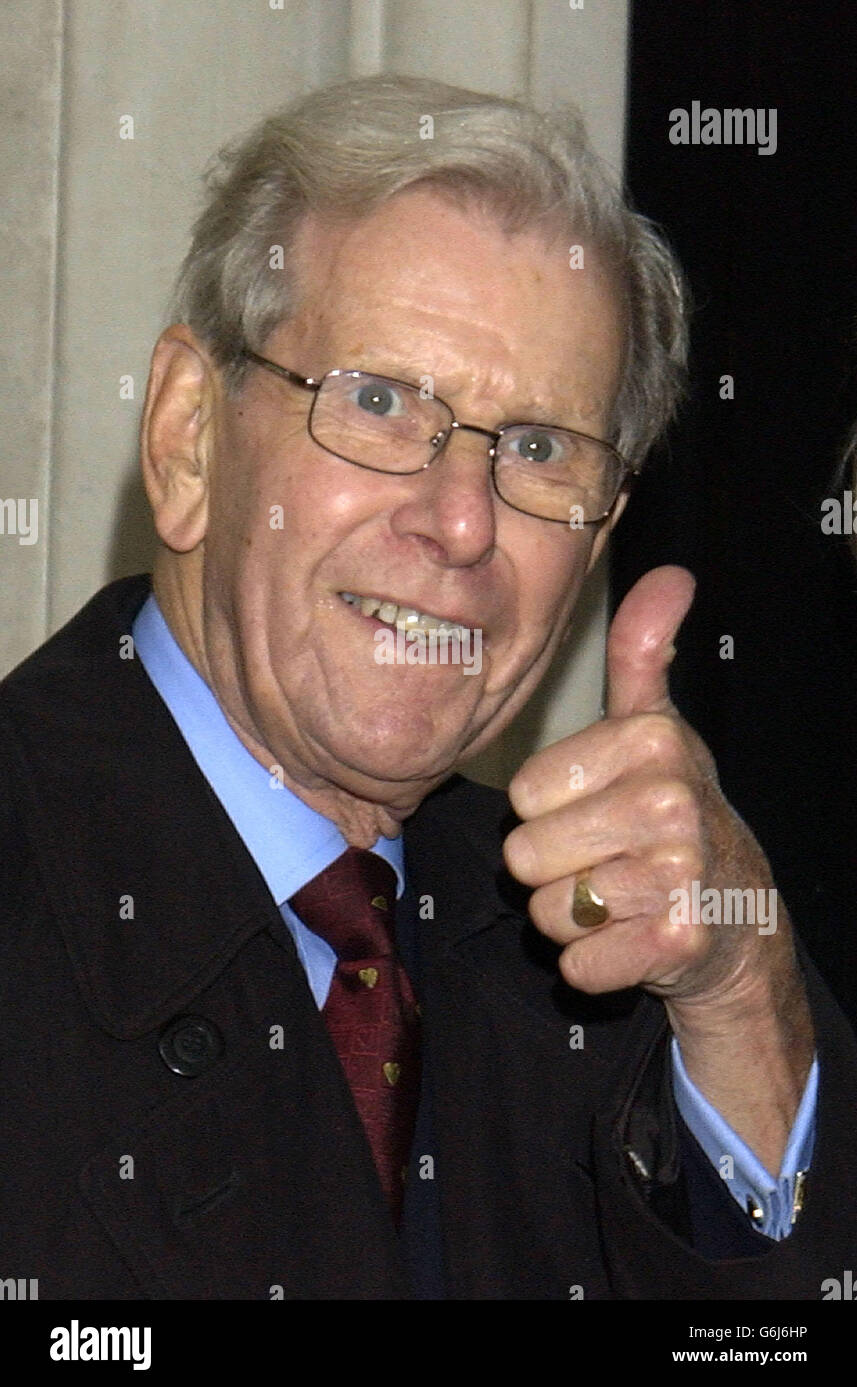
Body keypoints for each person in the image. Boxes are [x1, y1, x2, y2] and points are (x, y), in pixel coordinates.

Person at [1, 75, 854, 1301]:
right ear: (188, 436)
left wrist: (737, 995)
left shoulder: (615, 968)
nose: (460, 521)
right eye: (380, 400)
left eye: (538, 448)